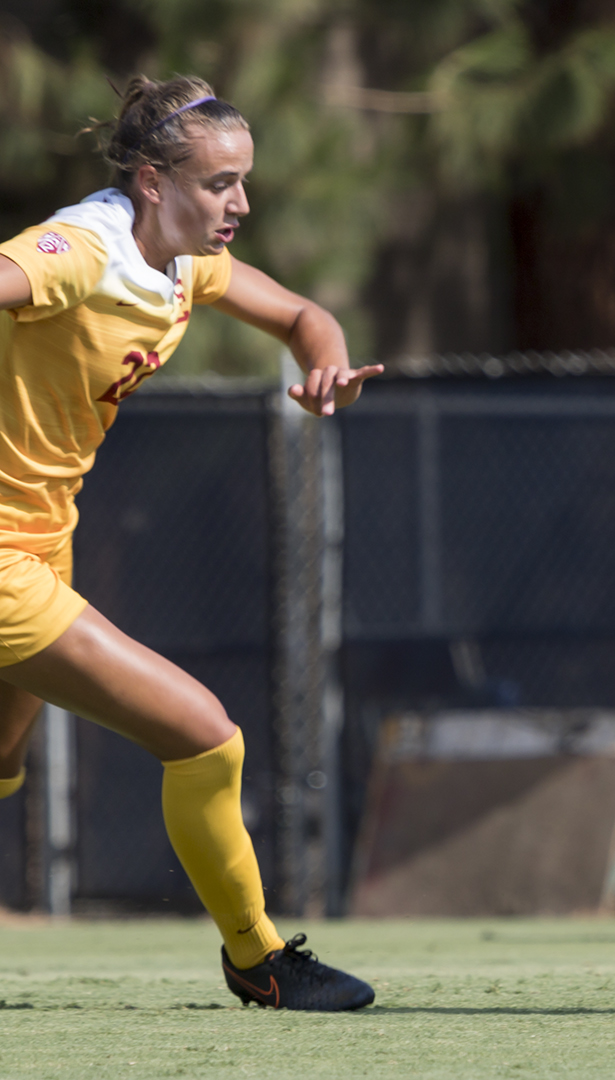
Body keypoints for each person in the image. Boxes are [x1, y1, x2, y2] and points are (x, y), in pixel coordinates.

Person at [0, 76, 380, 1010]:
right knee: (204, 735)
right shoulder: (83, 250)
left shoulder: (180, 262)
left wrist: (325, 368)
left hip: (44, 538)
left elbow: (302, 316)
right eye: (220, 184)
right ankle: (259, 959)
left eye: (244, 181)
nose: (240, 202)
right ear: (152, 182)